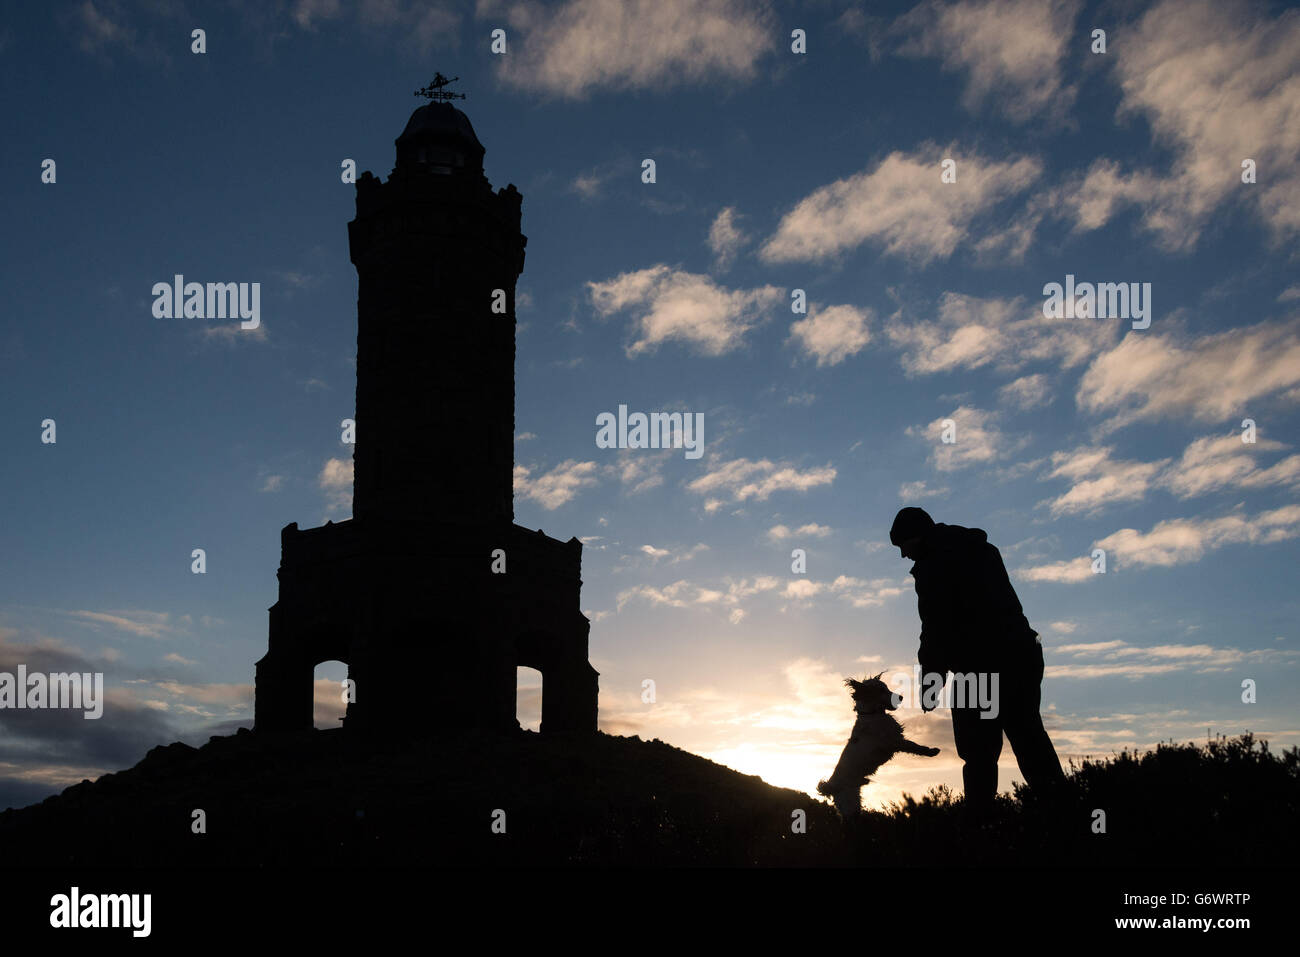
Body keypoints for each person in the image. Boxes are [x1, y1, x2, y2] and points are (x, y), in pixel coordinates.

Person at [890, 506, 1065, 810]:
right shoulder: (982, 549)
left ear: (917, 536)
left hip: (978, 666)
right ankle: (1065, 814)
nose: (904, 555)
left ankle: (980, 826)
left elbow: (936, 628)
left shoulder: (933, 566)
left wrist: (931, 683)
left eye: (903, 546)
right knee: (1030, 740)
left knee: (978, 754)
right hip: (1021, 655)